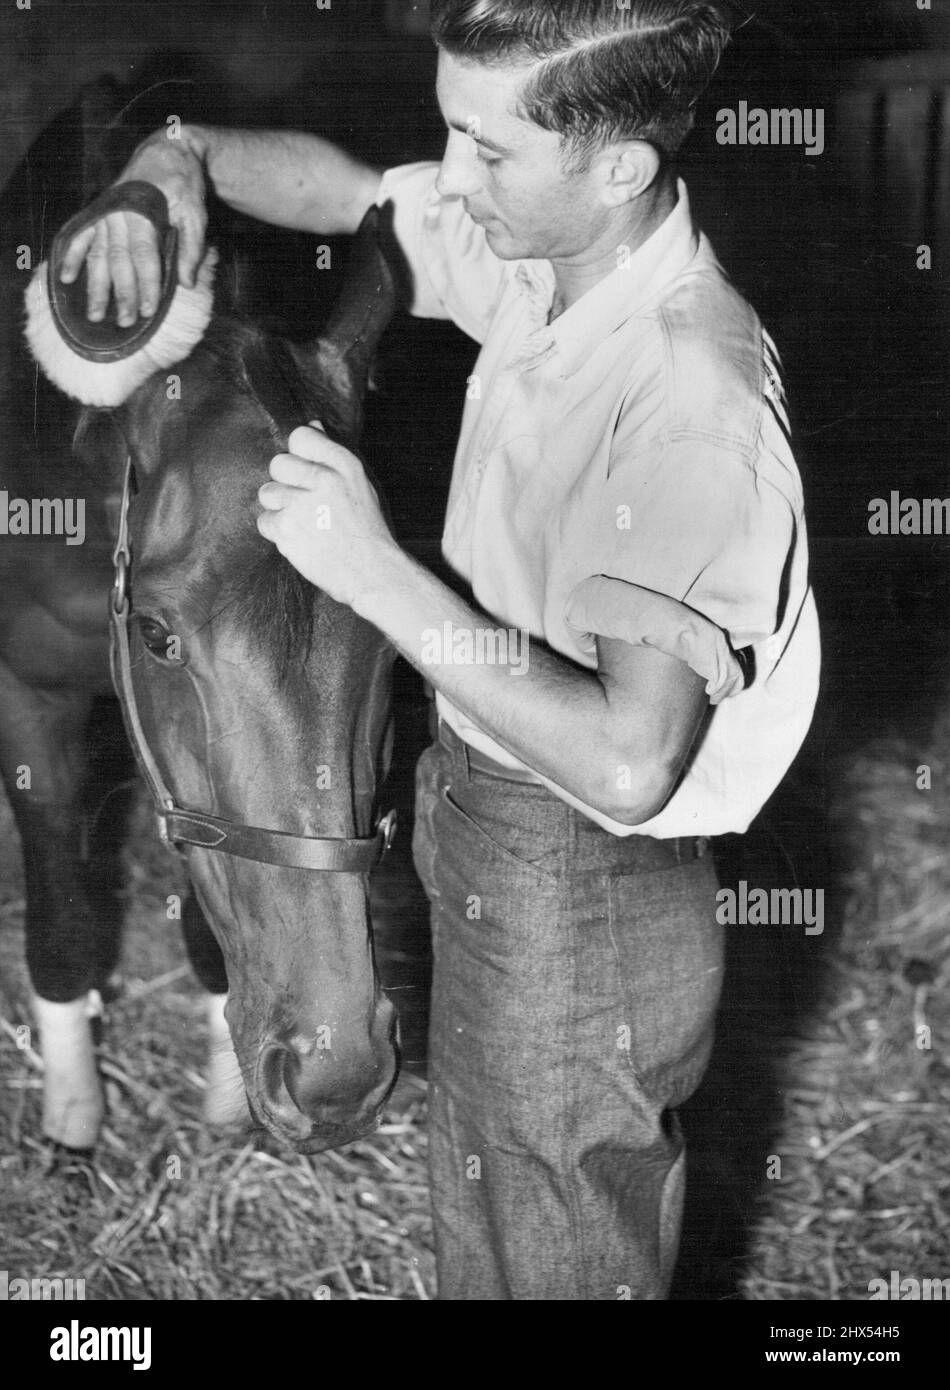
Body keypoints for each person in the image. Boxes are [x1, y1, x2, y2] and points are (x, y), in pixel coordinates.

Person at [63, 0, 820, 1299]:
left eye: (483, 147)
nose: (451, 177)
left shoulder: (685, 390)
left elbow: (631, 757)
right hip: (476, 817)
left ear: (617, 166)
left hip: (589, 887)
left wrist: (375, 572)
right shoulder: (552, 260)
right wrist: (164, 168)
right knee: (494, 1229)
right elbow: (354, 195)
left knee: (558, 1250)